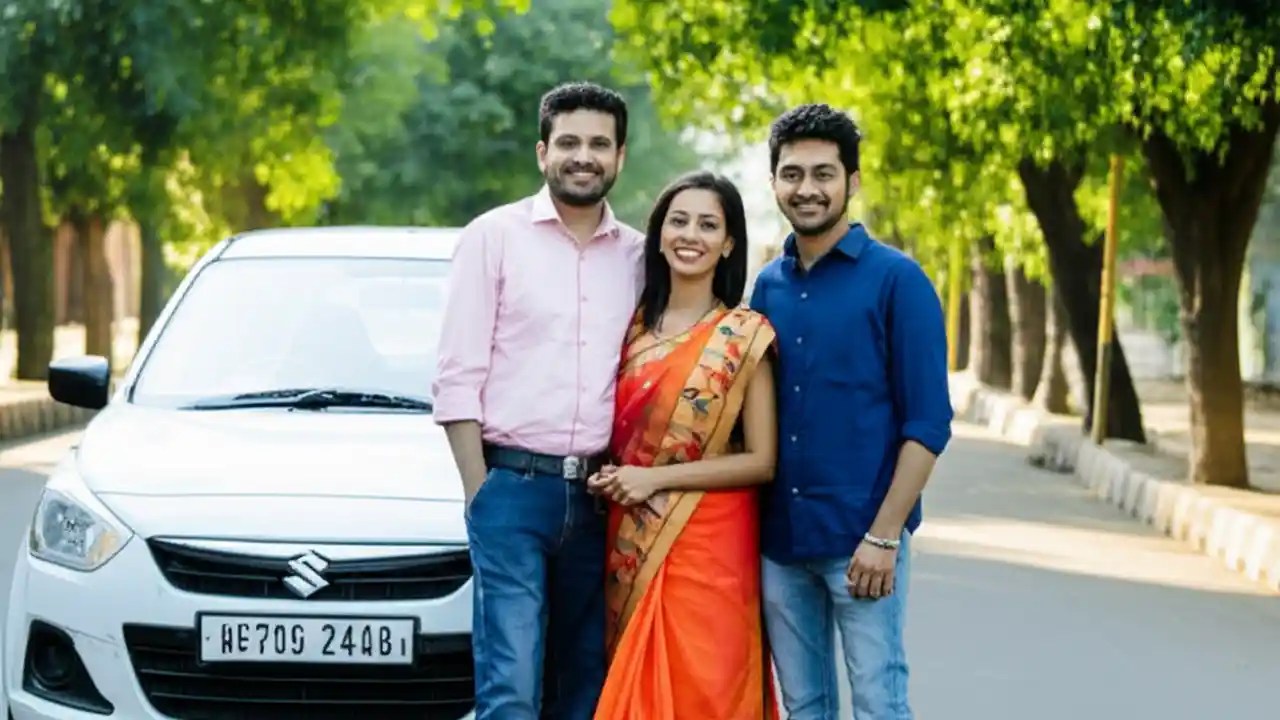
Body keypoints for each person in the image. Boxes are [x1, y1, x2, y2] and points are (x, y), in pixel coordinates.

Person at [432, 81, 645, 720]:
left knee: (586, 683)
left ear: (620, 157)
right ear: (542, 151)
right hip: (513, 490)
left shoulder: (639, 256)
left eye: (599, 144)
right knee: (511, 684)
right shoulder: (492, 238)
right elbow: (455, 376)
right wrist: (482, 492)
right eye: (570, 142)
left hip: (602, 499)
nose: (585, 156)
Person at [749, 104, 953, 719]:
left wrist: (884, 535)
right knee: (804, 706)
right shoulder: (766, 287)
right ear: (775, 182)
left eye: (823, 174)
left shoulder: (898, 280)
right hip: (782, 544)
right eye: (792, 174)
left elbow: (928, 425)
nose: (806, 189)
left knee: (877, 701)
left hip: (863, 543)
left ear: (852, 181)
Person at [586, 170, 781, 720]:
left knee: (707, 685)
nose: (690, 235)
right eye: (678, 221)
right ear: (659, 232)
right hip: (628, 531)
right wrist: (616, 475)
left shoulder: (745, 334)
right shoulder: (631, 329)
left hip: (712, 541)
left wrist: (655, 478)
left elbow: (761, 460)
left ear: (729, 244)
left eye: (708, 224)